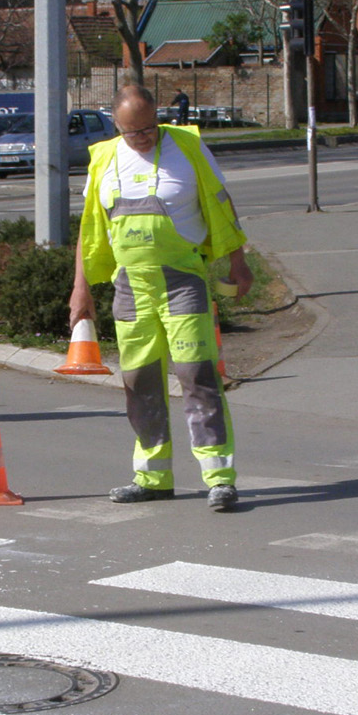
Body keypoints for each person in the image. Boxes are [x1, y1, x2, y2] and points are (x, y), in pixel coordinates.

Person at [71, 85, 252, 511]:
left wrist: (237, 263)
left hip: (182, 282)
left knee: (197, 375)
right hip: (130, 287)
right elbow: (90, 228)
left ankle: (219, 478)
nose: (144, 138)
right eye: (134, 132)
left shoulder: (188, 148)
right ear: (116, 125)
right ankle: (152, 476)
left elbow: (221, 205)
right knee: (139, 382)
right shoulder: (104, 158)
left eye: (150, 128)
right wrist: (81, 289)